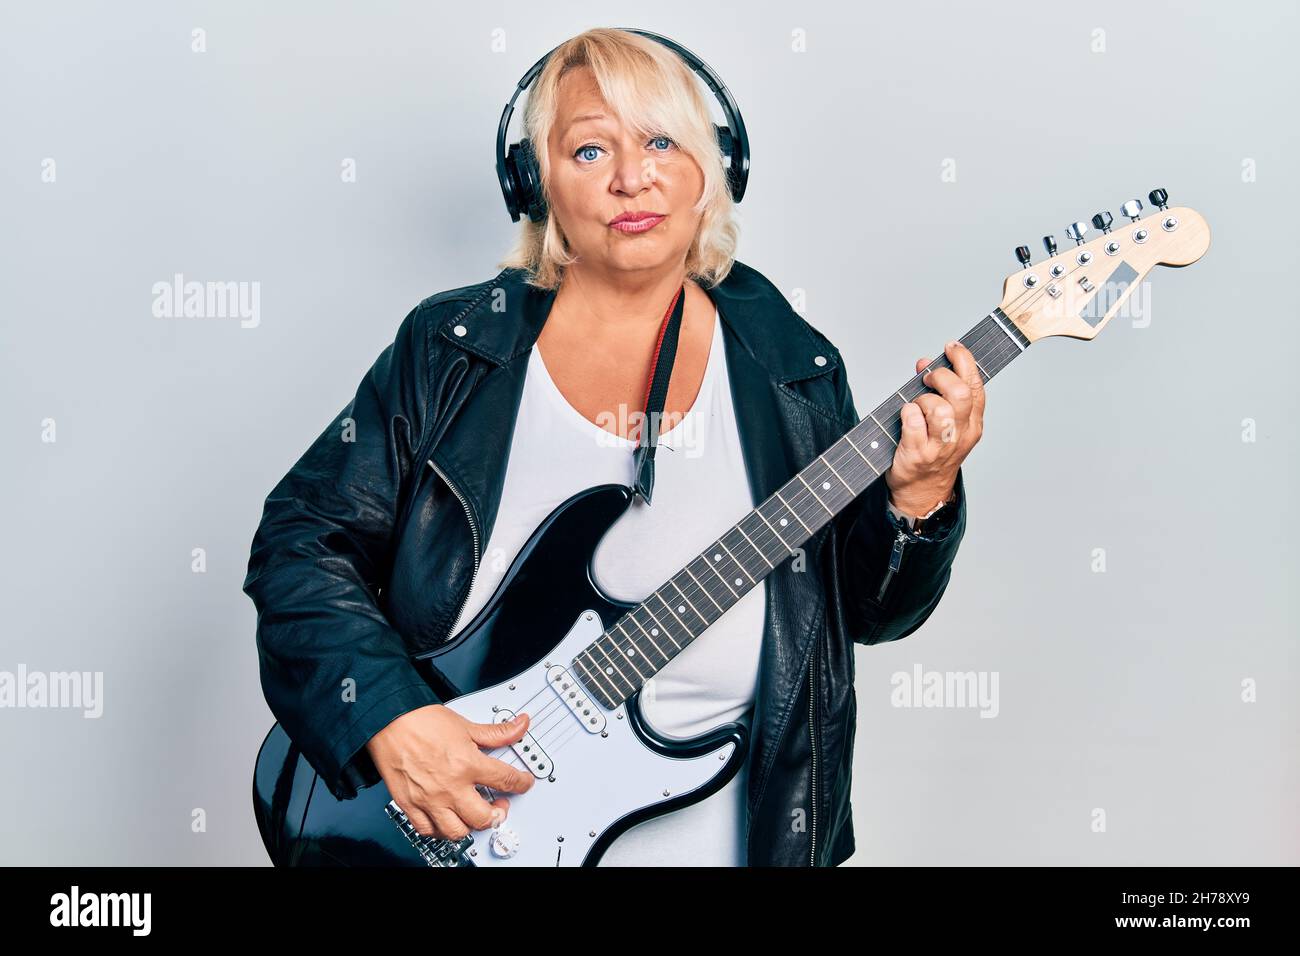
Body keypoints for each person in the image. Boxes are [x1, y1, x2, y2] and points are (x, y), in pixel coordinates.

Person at [243, 27, 983, 866]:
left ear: (713, 169)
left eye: (662, 141)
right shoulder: (453, 348)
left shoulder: (792, 368)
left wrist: (918, 499)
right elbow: (301, 544)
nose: (634, 178)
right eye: (591, 149)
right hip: (443, 827)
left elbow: (871, 613)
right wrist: (387, 715)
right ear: (536, 184)